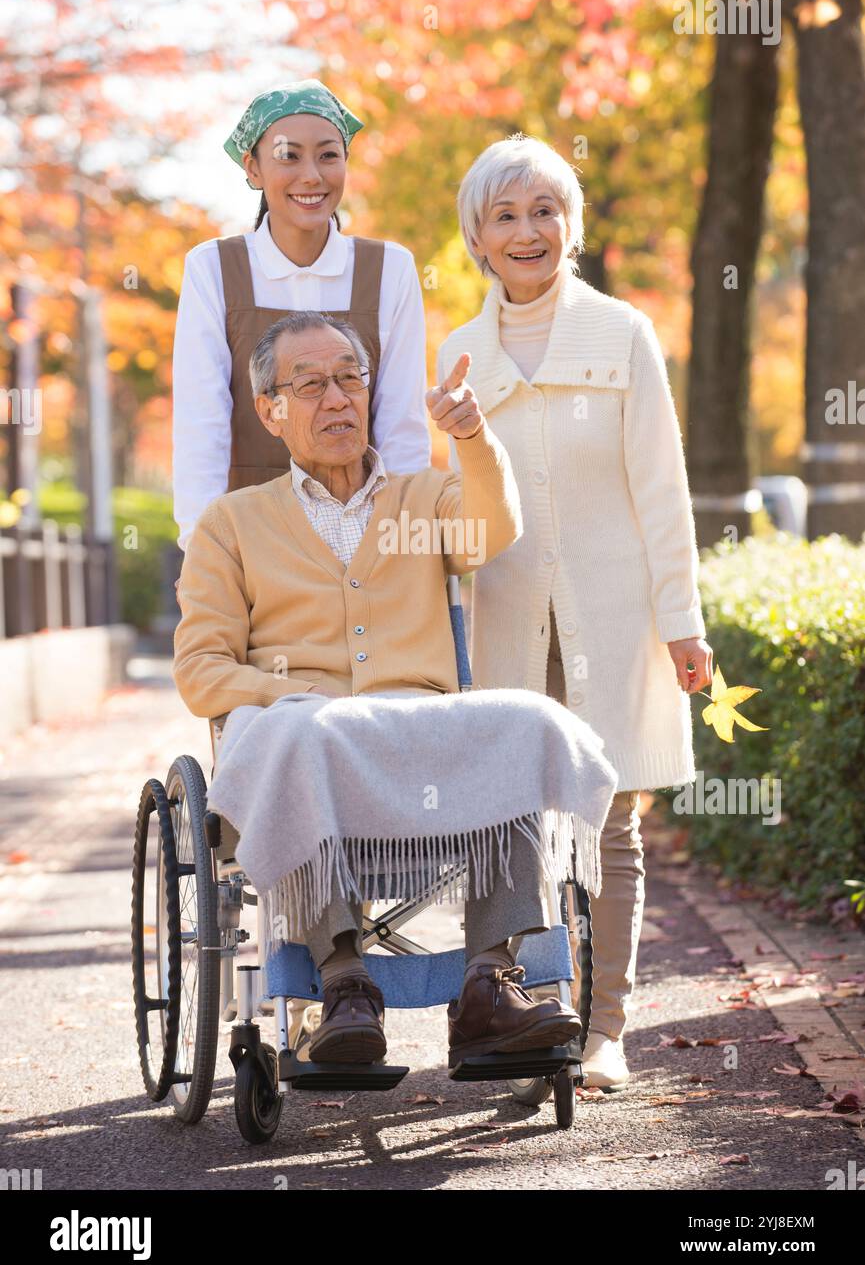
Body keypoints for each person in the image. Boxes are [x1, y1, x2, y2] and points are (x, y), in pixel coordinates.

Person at [173, 309, 582, 1064]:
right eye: (311, 385)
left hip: (416, 743)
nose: (336, 399)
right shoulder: (230, 524)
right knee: (302, 731)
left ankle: (491, 984)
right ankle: (342, 982)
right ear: (270, 410)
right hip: (301, 743)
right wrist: (295, 701)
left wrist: (469, 437)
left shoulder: (422, 502)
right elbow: (200, 670)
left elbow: (491, 531)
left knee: (519, 720)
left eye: (349, 378)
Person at [437, 133, 714, 1091]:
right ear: (477, 236)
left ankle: (607, 1030)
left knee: (611, 825)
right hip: (507, 615)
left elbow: (662, 491)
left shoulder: (621, 333)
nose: (527, 231)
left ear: (572, 224)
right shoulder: (461, 355)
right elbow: (458, 510)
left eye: (545, 211)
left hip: (614, 614)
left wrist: (683, 621)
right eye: (505, 215)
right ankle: (511, 1006)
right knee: (506, 818)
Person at [171, 79, 431, 561]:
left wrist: (406, 551)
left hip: (364, 545)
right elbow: (201, 427)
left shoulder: (389, 269)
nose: (311, 175)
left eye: (329, 156)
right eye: (289, 156)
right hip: (249, 544)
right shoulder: (214, 269)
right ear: (253, 168)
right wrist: (203, 553)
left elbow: (402, 427)